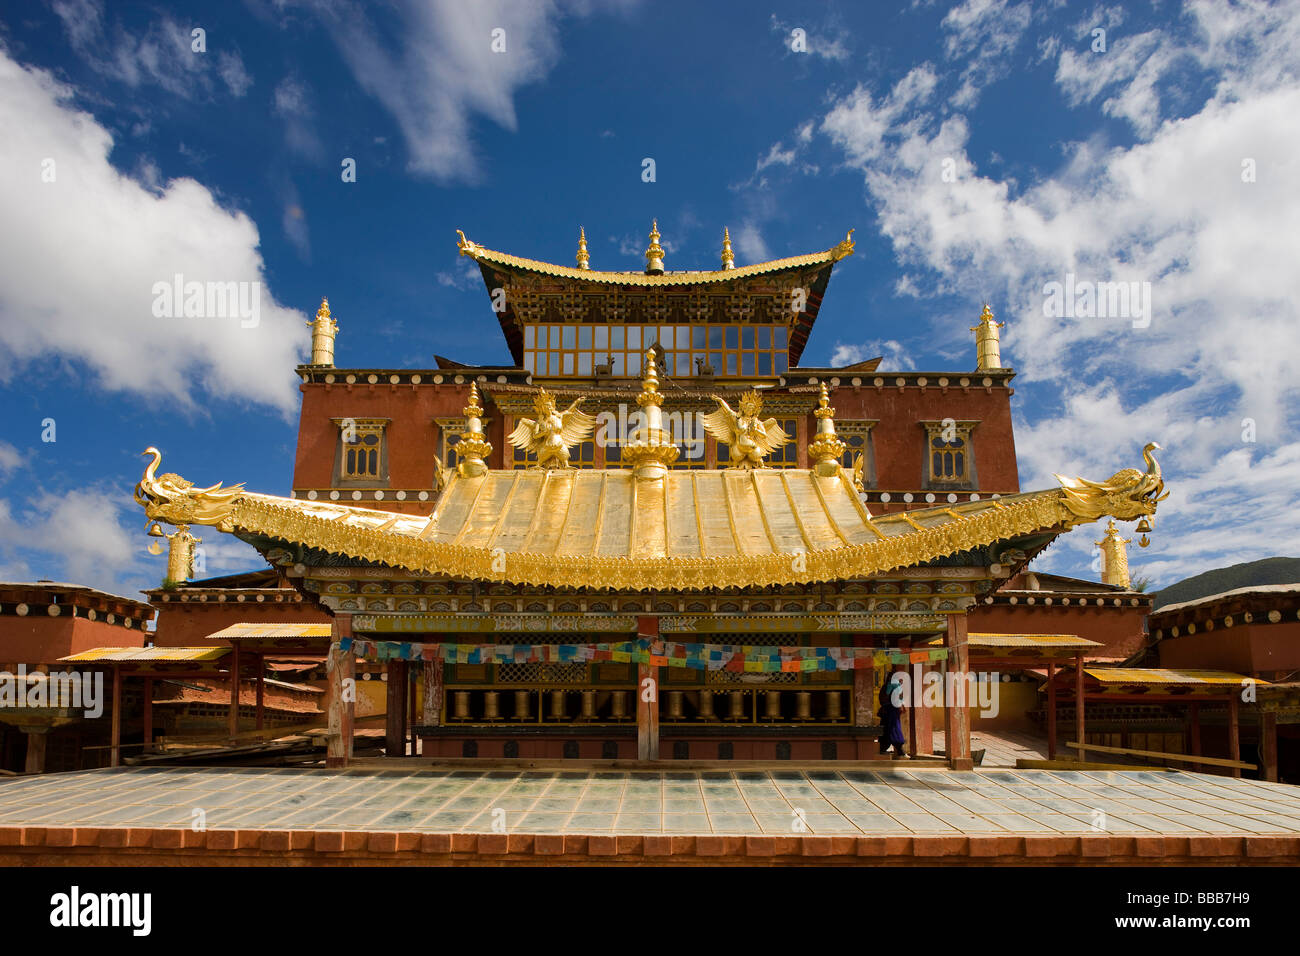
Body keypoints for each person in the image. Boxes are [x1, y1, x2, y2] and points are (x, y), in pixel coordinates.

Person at [878, 670, 909, 758]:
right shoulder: (888, 687)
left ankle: (883, 749)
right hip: (890, 711)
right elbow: (884, 699)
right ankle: (900, 751)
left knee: (887, 730)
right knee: (894, 729)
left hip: (892, 711)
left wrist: (901, 706)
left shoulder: (896, 687)